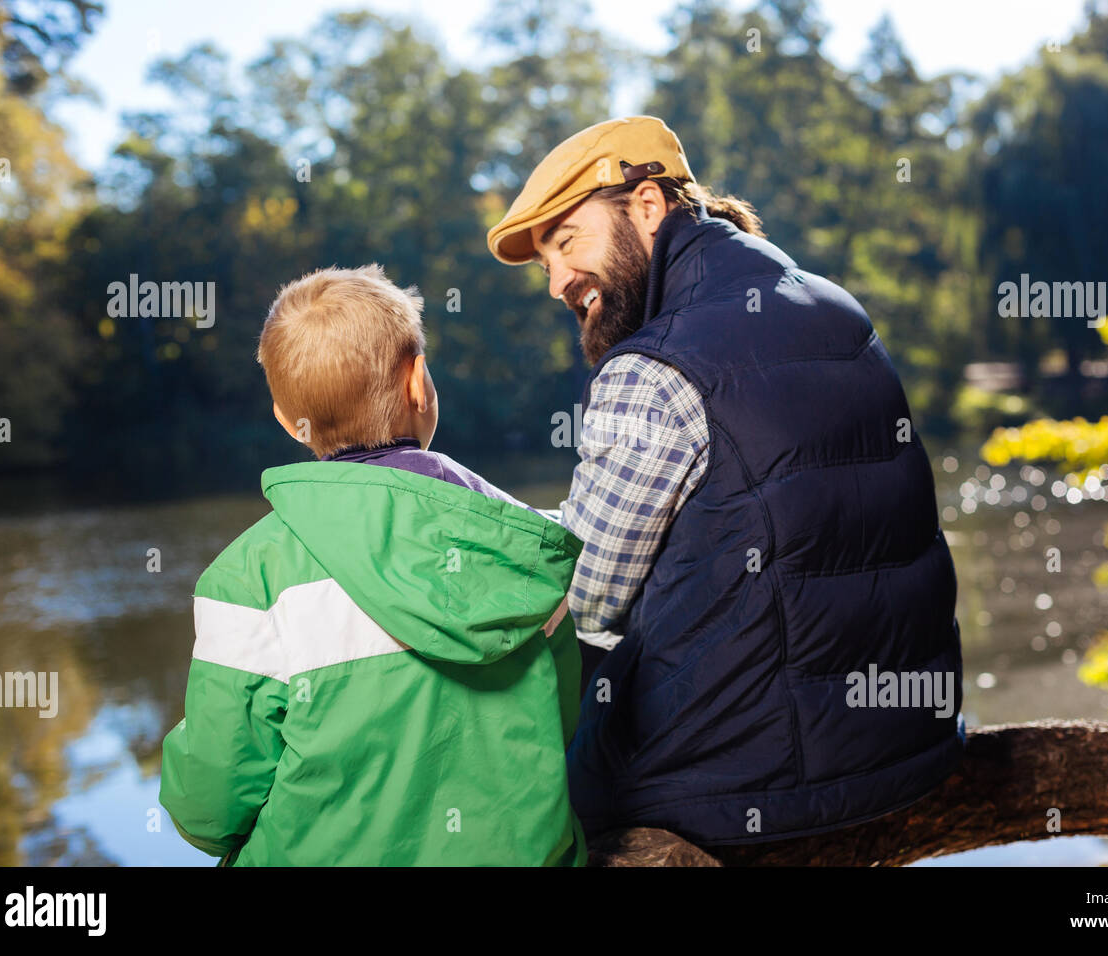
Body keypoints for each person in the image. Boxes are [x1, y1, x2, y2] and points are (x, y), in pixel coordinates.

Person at [487, 116, 967, 847]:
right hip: (909, 750)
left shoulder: (654, 368)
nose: (556, 283)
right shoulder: (836, 308)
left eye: (567, 243)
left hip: (742, 789)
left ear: (647, 206)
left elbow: (586, 592)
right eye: (545, 265)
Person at [159, 264, 586, 865]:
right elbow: (562, 724)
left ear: (286, 420)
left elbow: (207, 810)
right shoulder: (528, 549)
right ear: (419, 384)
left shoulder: (248, 581)